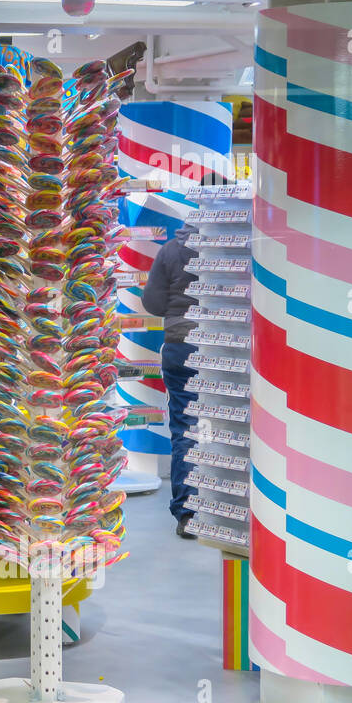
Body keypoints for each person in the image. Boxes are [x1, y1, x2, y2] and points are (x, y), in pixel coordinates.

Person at [143, 224, 200, 539]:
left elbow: (152, 303)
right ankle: (230, 512)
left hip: (181, 345)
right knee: (230, 430)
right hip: (229, 348)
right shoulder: (241, 245)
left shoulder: (171, 249)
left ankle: (188, 513)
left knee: (185, 429)